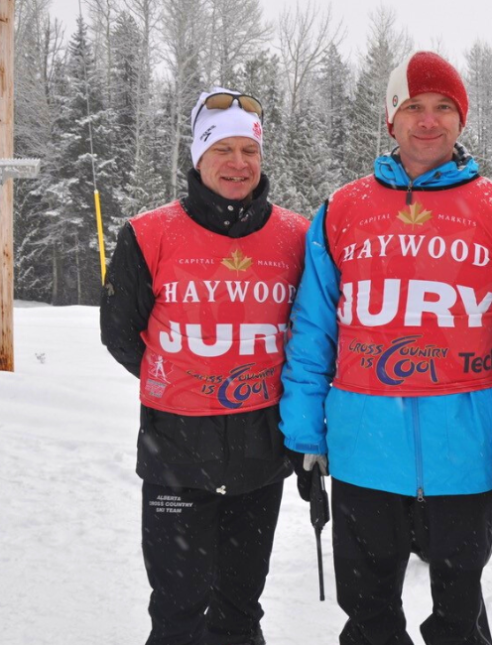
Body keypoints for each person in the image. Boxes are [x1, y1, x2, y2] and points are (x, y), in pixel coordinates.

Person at [279, 51, 492, 645]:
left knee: (458, 619)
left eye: (443, 109)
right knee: (370, 616)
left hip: (467, 456)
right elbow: (312, 331)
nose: (427, 122)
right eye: (413, 108)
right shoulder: (342, 210)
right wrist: (305, 436)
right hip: (362, 453)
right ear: (390, 120)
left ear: (461, 121)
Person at [100, 87, 310, 645]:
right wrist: (185, 380)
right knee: (177, 610)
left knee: (240, 609)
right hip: (176, 455)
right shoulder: (149, 233)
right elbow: (120, 332)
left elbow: (313, 336)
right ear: (198, 155)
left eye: (250, 150)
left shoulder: (297, 235)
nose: (238, 164)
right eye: (223, 150)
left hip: (260, 457)